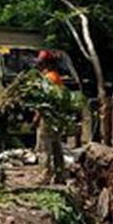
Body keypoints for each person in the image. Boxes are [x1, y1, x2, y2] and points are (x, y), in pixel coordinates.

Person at [34, 50, 67, 182]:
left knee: (44, 147)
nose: (39, 66)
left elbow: (43, 100)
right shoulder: (57, 77)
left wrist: (37, 116)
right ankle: (60, 174)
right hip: (56, 117)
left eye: (40, 63)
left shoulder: (47, 79)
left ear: (46, 63)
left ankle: (44, 175)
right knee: (56, 146)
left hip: (47, 117)